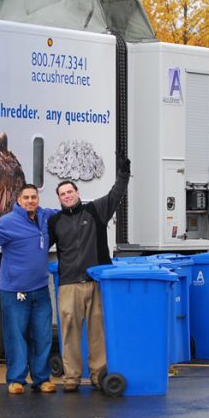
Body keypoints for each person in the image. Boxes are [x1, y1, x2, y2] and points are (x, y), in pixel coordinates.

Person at [48, 157, 131, 392]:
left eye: (69, 191)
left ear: (77, 192)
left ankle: (98, 375)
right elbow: (39, 245)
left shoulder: (95, 211)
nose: (67, 196)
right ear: (59, 198)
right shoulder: (55, 221)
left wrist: (123, 175)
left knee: (97, 333)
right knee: (69, 334)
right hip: (68, 285)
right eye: (62, 194)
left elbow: (116, 195)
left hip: (95, 282)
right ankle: (71, 379)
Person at [0, 184, 58, 394]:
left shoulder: (46, 217)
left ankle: (42, 379)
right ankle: (15, 380)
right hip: (14, 291)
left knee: (43, 336)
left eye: (34, 197)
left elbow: (68, 215)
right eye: (26, 197)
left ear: (38, 199)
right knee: (16, 336)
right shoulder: (8, 222)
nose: (30, 201)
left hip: (40, 290)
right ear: (18, 200)